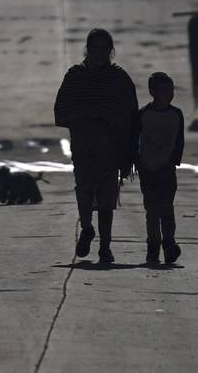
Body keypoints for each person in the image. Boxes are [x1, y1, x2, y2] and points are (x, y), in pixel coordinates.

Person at [54, 28, 140, 264]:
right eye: (96, 48)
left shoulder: (119, 79)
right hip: (83, 147)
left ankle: (105, 246)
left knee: (106, 199)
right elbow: (61, 112)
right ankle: (87, 228)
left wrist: (128, 149)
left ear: (110, 51)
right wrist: (89, 114)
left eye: (105, 49)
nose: (100, 53)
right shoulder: (75, 76)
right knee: (83, 192)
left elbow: (132, 116)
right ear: (88, 49)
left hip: (111, 150)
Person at [137, 72, 186, 266]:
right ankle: (153, 246)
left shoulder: (176, 115)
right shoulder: (143, 115)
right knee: (152, 210)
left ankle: (168, 243)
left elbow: (178, 141)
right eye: (164, 90)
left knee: (166, 209)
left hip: (166, 169)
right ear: (152, 92)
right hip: (147, 169)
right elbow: (136, 141)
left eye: (170, 90)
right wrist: (139, 162)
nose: (168, 94)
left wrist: (173, 161)